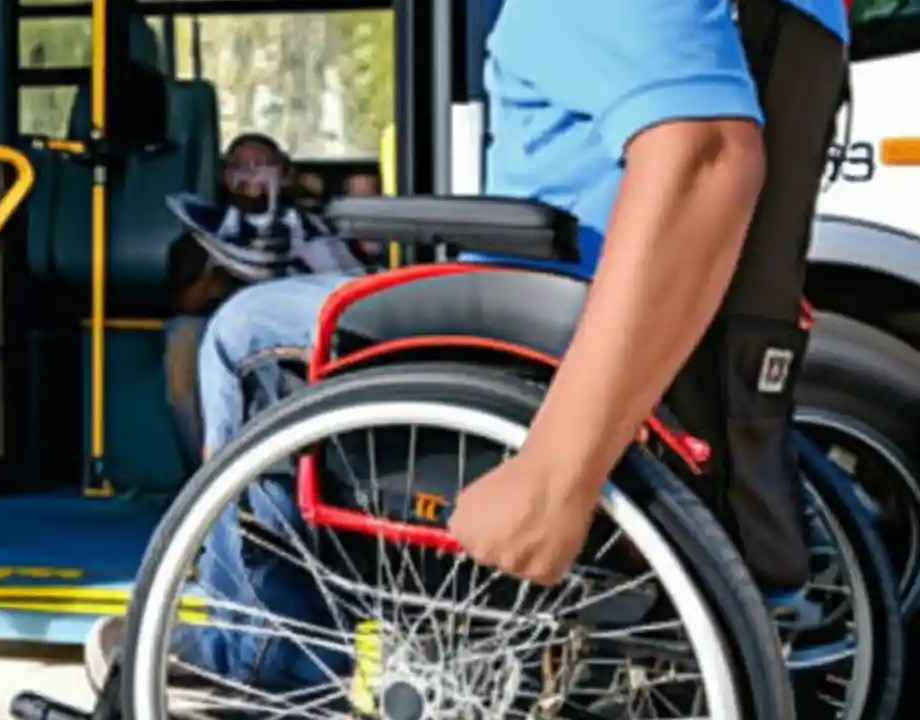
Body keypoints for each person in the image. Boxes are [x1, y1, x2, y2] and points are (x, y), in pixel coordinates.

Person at [88, 0, 849, 690]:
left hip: (537, 340)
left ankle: (257, 654)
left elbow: (706, 157)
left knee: (245, 330)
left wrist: (556, 476)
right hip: (628, 343)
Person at [162, 132, 373, 473]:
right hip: (219, 336)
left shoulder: (311, 229)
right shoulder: (200, 234)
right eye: (237, 167)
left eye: (260, 165)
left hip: (298, 335)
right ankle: (203, 478)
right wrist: (218, 281)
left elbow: (352, 285)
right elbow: (181, 302)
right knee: (182, 340)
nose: (249, 175)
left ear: (285, 174)